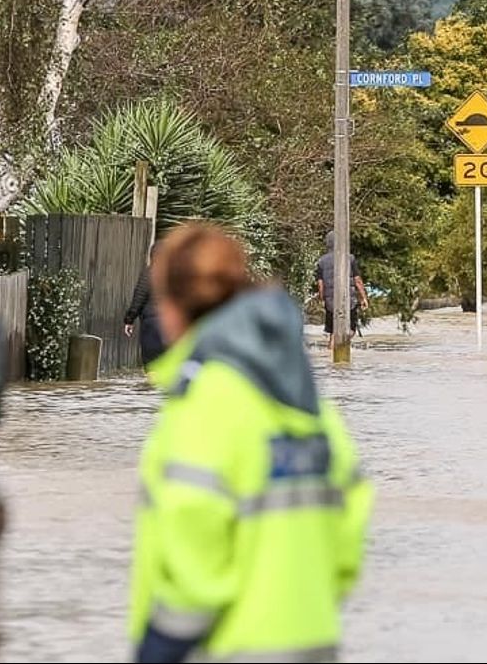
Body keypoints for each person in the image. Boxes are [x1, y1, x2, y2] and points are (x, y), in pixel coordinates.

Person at [129, 223, 372, 664]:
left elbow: (194, 563)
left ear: (172, 308)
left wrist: (156, 650)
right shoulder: (308, 407)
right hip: (312, 644)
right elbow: (350, 528)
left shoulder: (203, 405)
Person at [314, 231, 368, 347]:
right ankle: (341, 350)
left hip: (330, 301)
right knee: (351, 329)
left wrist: (322, 298)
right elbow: (357, 280)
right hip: (348, 300)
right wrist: (363, 298)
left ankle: (330, 357)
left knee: (333, 333)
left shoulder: (321, 261)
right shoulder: (350, 258)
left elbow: (320, 284)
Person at [124, 242, 166, 365]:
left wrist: (129, 320)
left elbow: (139, 297)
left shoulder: (149, 274)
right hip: (171, 325)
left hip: (151, 324)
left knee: (152, 363)